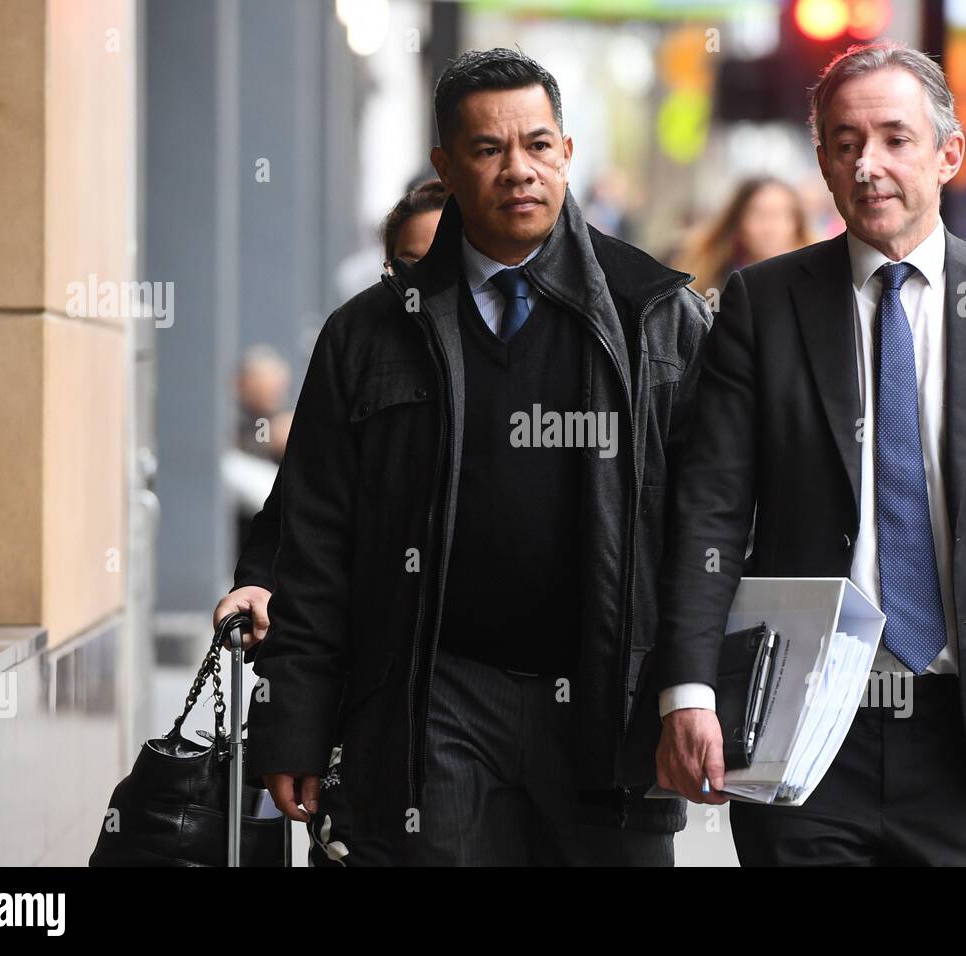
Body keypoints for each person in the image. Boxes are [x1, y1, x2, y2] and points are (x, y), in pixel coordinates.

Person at [243, 48, 712, 865]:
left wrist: (695, 691)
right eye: (489, 151)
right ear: (446, 166)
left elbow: (709, 522)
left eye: (538, 145)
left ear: (567, 152)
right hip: (435, 697)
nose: (518, 171)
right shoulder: (370, 333)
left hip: (606, 700)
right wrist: (294, 718)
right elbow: (314, 536)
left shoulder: (657, 317)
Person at [650, 42, 966, 865]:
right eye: (846, 143)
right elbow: (708, 512)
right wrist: (690, 689)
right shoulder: (763, 302)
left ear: (948, 154)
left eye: (896, 138)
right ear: (822, 160)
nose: (869, 165)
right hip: (806, 730)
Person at [213, 179, 446, 866]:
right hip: (365, 687)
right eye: (408, 263)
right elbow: (299, 507)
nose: (423, 283)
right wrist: (257, 583)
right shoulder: (357, 345)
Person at [677, 176, 812, 298]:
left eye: (780, 215)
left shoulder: (811, 283)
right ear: (738, 222)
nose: (770, 228)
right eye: (759, 215)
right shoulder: (711, 283)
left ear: (797, 224)